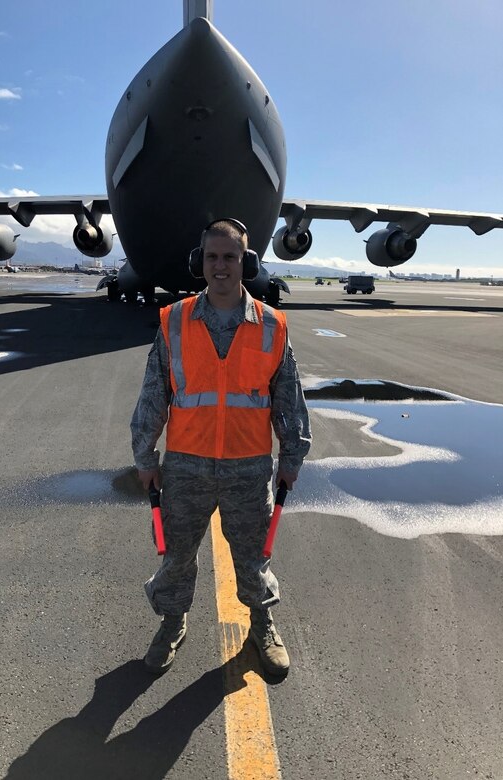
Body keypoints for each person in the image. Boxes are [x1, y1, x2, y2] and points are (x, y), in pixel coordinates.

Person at [130, 218, 311, 676]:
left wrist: (291, 456)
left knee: (253, 557)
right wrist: (145, 455)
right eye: (212, 257)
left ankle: (261, 624)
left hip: (248, 467)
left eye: (230, 257)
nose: (220, 266)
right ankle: (173, 622)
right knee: (176, 554)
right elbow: (155, 391)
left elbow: (288, 397)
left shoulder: (272, 326)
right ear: (200, 263)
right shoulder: (176, 321)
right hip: (186, 464)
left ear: (245, 263)